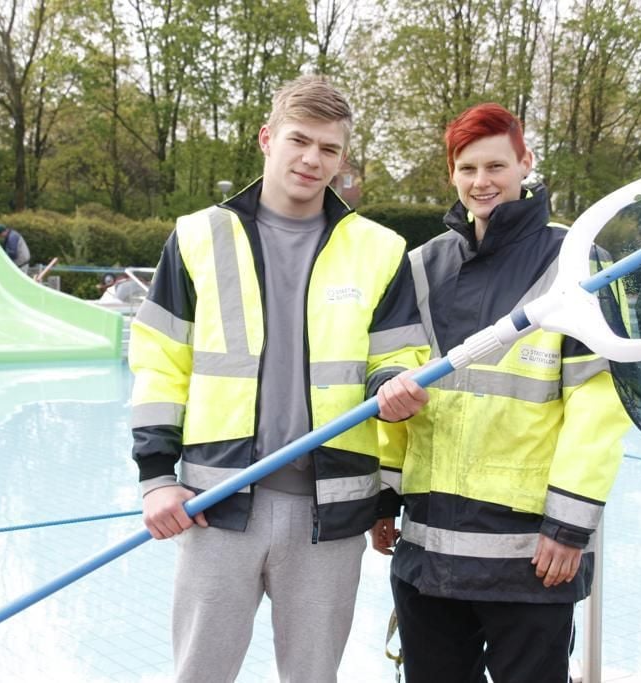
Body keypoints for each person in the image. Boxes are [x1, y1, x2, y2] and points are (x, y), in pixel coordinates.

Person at [128, 75, 430, 683]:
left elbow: (398, 356)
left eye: (329, 149)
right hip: (217, 504)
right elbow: (161, 363)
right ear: (268, 138)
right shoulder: (197, 238)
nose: (312, 159)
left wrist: (394, 387)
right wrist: (157, 478)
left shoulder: (379, 249)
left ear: (343, 160)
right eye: (300, 140)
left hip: (331, 514)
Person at [372, 102, 632, 683]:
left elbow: (598, 404)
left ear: (525, 163)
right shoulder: (421, 267)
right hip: (430, 552)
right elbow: (396, 381)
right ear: (452, 174)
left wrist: (569, 526)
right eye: (467, 168)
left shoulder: (578, 264)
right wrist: (386, 496)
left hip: (533, 557)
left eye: (496, 165)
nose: (482, 181)